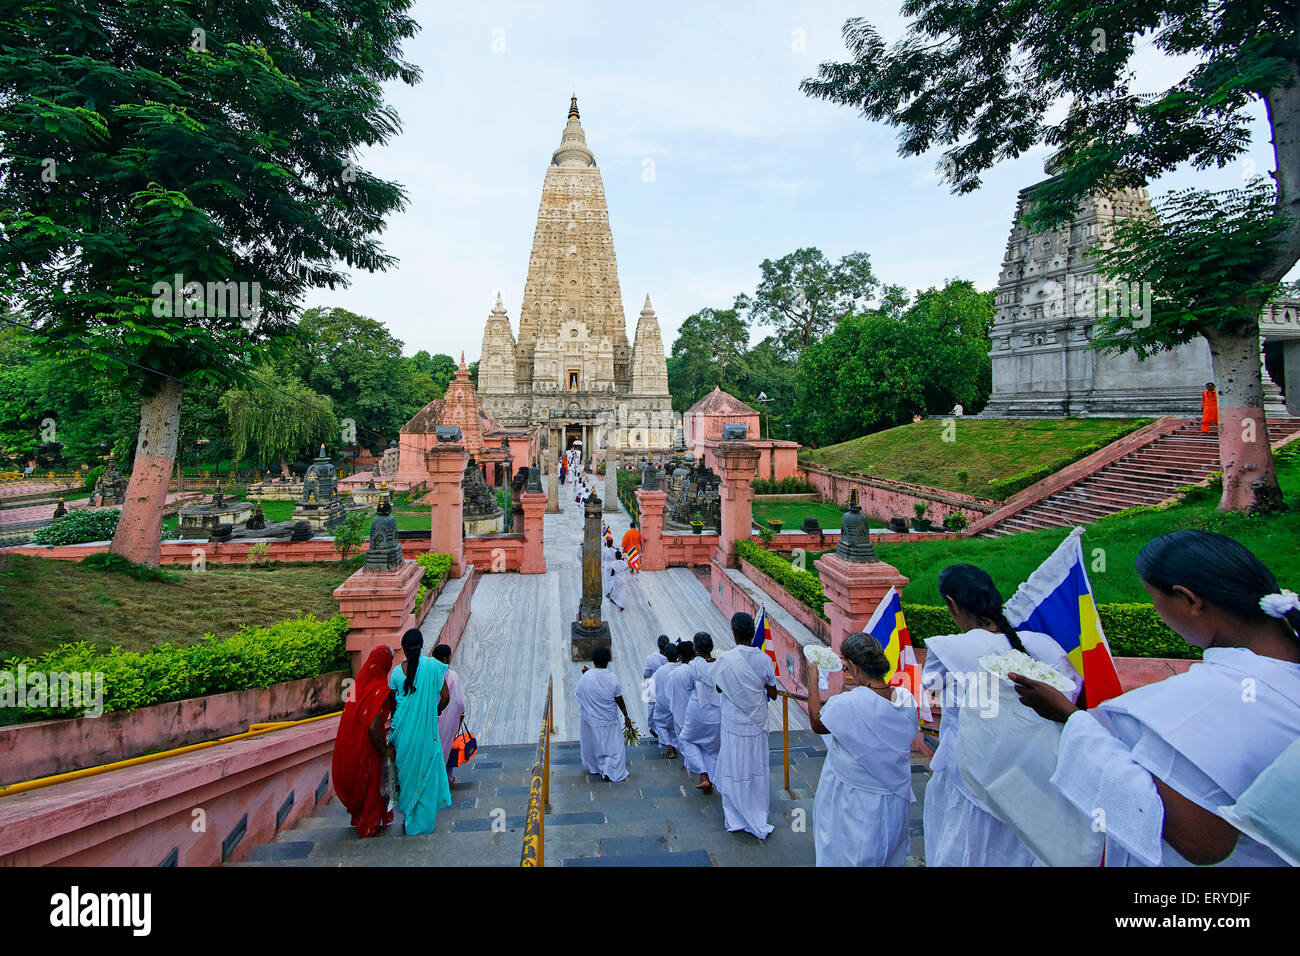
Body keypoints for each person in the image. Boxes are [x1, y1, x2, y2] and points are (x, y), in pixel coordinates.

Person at [1012, 530, 1300, 866]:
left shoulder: (1204, 699)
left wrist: (1072, 719)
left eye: (1153, 596)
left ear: (1189, 599)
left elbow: (1203, 842)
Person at [921, 564, 1082, 867]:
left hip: (970, 779)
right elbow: (1069, 694)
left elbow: (931, 686)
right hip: (1033, 780)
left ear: (952, 604)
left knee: (963, 850)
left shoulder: (950, 649)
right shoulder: (1044, 646)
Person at [806, 633, 918, 867]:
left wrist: (813, 681)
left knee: (847, 856)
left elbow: (817, 723)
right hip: (893, 800)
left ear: (855, 666)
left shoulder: (849, 703)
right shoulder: (906, 699)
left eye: (847, 665)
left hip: (854, 802)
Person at [711, 612, 778, 839]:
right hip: (756, 721)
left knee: (735, 765)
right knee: (755, 766)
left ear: (733, 632)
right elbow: (773, 694)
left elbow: (720, 688)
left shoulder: (727, 660)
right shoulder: (764, 659)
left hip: (734, 722)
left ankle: (737, 815)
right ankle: (757, 812)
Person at [388, 629, 453, 835]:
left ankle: (409, 819)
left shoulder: (397, 673)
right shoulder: (433, 667)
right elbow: (445, 697)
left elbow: (393, 707)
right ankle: (423, 824)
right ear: (422, 645)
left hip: (403, 737)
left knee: (407, 779)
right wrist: (434, 712)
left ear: (404, 650)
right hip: (427, 735)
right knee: (425, 777)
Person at [331, 645, 396, 838]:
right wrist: (384, 750)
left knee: (363, 783)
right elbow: (373, 725)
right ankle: (370, 824)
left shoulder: (357, 686)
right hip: (370, 748)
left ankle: (363, 820)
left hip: (353, 745)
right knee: (372, 786)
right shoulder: (380, 689)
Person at [576, 646, 634, 782]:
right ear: (608, 661)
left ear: (593, 661)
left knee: (595, 744)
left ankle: (596, 768)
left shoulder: (587, 677)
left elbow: (579, 694)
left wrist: (588, 675)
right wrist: (626, 715)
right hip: (609, 720)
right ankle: (611, 770)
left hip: (592, 720)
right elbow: (619, 699)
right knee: (613, 746)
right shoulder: (613, 678)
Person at [677, 631, 722, 793]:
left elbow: (688, 686)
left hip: (698, 712)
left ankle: (703, 775)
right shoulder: (720, 664)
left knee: (686, 740)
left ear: (696, 648)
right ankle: (709, 778)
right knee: (712, 748)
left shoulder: (694, 665)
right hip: (717, 714)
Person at [431, 643, 466, 785]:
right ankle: (446, 778)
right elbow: (459, 702)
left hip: (430, 719)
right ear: (445, 659)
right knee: (446, 746)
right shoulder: (451, 676)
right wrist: (460, 717)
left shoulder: (429, 674)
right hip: (446, 719)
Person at [663, 640, 699, 764]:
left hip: (680, 710)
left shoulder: (675, 673)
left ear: (680, 656)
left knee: (684, 738)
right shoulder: (700, 668)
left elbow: (668, 693)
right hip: (700, 712)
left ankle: (689, 763)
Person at [649, 643, 681, 758]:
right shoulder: (681, 668)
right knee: (673, 726)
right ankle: (674, 746)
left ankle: (669, 749)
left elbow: (651, 684)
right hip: (677, 704)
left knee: (660, 725)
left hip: (663, 704)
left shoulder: (661, 670)